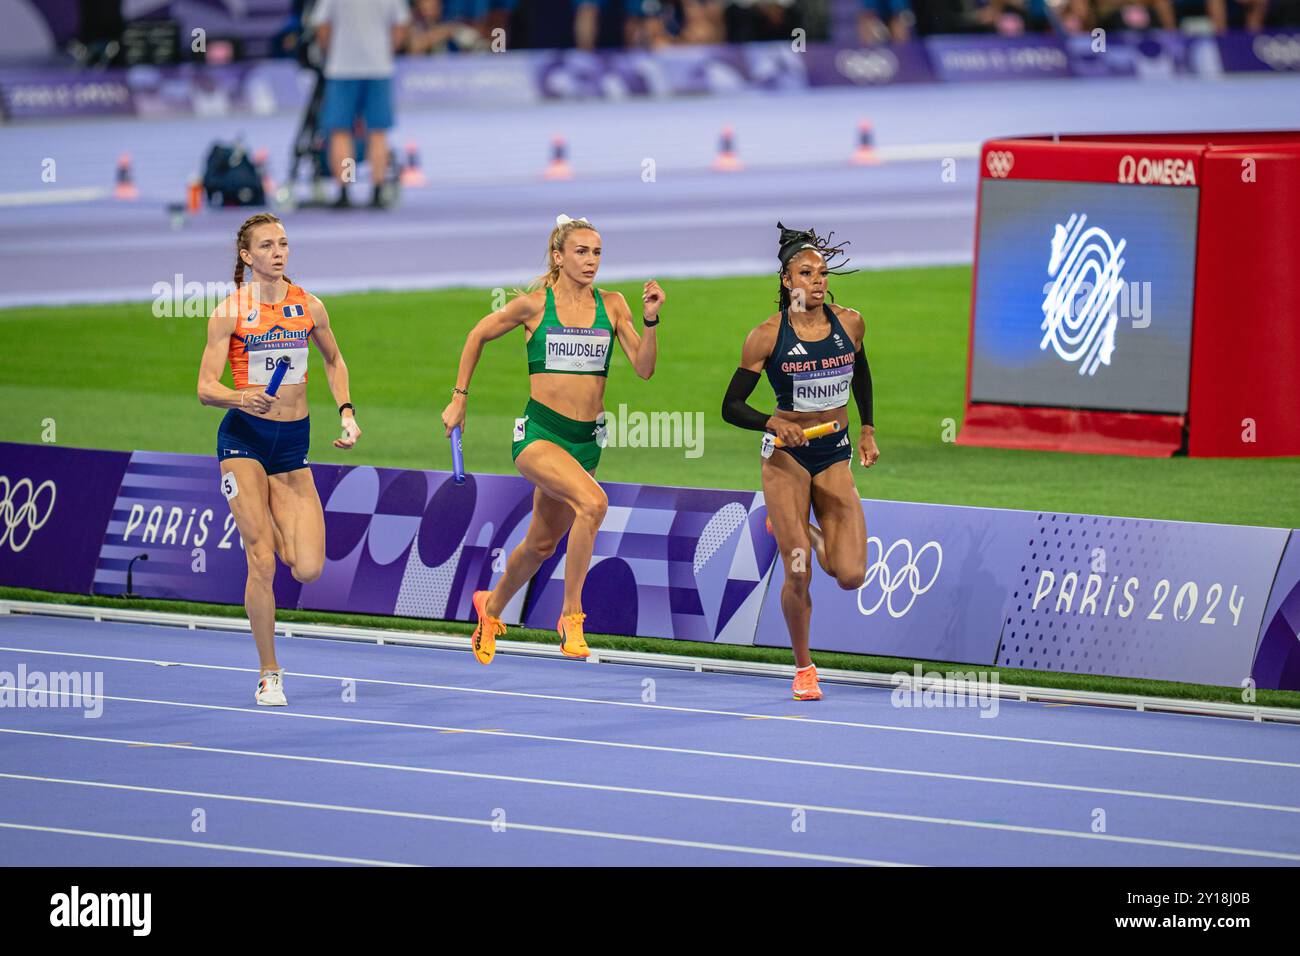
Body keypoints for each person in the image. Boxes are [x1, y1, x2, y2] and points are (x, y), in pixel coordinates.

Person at [441, 215, 663, 664]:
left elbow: (644, 367)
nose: (591, 261)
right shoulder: (533, 305)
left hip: (586, 442)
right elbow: (477, 335)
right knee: (594, 504)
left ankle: (492, 607)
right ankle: (572, 617)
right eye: (581, 252)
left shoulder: (614, 305)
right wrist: (459, 398)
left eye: (597, 252)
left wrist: (651, 320)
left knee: (541, 544)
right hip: (539, 436)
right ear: (558, 257)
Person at [197, 213, 361, 705]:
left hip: (292, 448)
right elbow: (205, 388)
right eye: (267, 245)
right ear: (247, 256)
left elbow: (334, 360)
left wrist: (347, 412)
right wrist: (241, 398)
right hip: (243, 442)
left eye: (284, 243)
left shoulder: (309, 305)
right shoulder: (230, 311)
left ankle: (273, 515)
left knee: (307, 567)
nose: (278, 252)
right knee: (261, 559)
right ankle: (270, 671)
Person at [721, 223, 878, 701]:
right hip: (786, 459)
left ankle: (793, 528)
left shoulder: (850, 323)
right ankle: (805, 668)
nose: (817, 280)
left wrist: (867, 428)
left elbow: (862, 374)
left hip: (834, 454)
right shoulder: (766, 337)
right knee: (799, 570)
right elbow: (731, 406)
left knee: (850, 574)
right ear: (788, 281)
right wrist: (772, 422)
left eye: (822, 273)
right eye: (806, 273)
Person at [310, 0, 411, 209]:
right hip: (378, 67)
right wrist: (385, 50)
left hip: (342, 67)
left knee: (341, 132)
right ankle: (377, 190)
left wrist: (331, 51)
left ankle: (345, 190)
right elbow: (401, 25)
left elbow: (321, 25)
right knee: (377, 132)